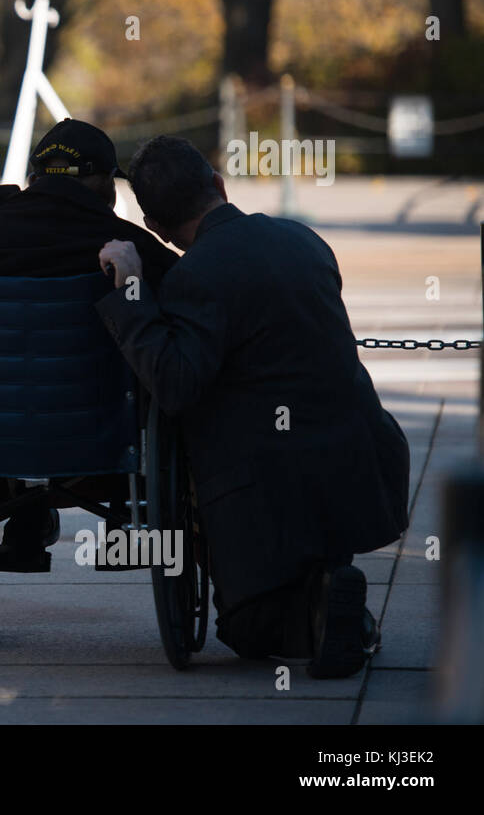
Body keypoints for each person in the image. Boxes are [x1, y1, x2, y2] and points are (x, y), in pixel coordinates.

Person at [95, 135, 409, 678]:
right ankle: (330, 589)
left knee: (245, 636)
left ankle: (321, 609)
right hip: (359, 461)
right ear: (218, 184)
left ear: (154, 230)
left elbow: (174, 384)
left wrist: (130, 289)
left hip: (268, 487)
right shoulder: (305, 240)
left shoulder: (195, 277)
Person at [0, 119, 178, 569]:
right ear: (105, 182)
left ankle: (19, 511)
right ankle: (127, 518)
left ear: (35, 176)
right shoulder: (129, 246)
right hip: (101, 438)